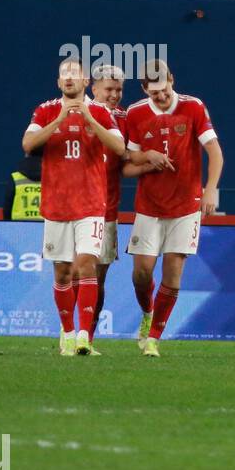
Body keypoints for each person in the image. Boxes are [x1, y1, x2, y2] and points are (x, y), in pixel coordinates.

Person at [21, 59, 126, 357]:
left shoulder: (102, 111)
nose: (69, 79)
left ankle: (84, 336)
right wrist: (60, 120)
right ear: (58, 82)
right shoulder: (46, 110)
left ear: (84, 82)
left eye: (74, 75)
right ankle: (66, 333)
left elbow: (119, 149)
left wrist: (89, 119)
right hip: (56, 204)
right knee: (63, 272)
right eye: (64, 75)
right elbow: (28, 144)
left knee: (86, 264)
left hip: (91, 203)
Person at [123, 60, 223, 358]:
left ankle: (153, 337)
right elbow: (127, 163)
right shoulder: (136, 113)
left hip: (186, 204)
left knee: (174, 272)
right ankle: (147, 311)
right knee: (141, 273)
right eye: (155, 94)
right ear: (144, 90)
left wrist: (210, 190)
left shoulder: (193, 107)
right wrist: (146, 157)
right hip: (150, 204)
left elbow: (215, 152)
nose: (162, 98)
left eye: (165, 91)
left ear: (171, 80)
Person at [90, 63, 129, 352]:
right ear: (94, 89)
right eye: (109, 89)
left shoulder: (126, 120)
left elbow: (128, 161)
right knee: (74, 274)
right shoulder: (77, 113)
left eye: (118, 90)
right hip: (76, 209)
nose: (114, 95)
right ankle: (70, 333)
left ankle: (87, 337)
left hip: (108, 210)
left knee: (98, 278)